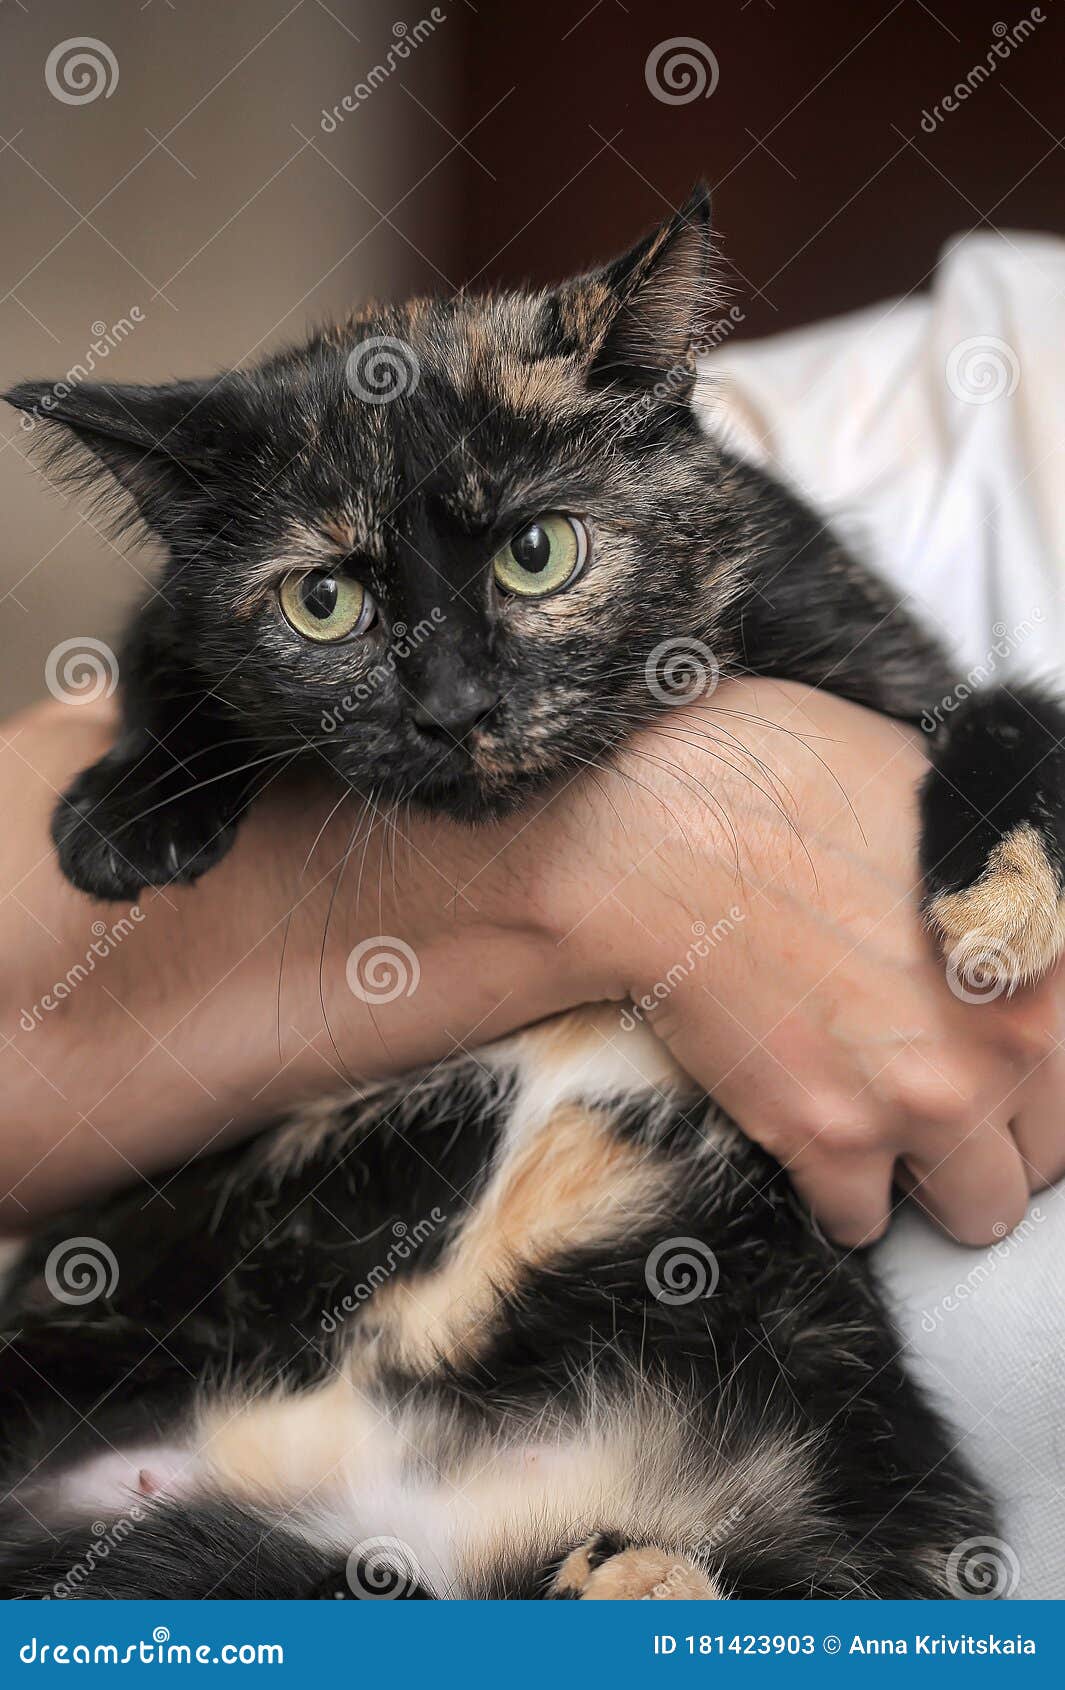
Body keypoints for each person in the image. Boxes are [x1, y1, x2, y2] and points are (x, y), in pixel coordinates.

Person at [0, 230, 1061, 1593]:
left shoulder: (685, 513)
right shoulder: (975, 393)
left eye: (535, 556)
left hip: (690, 1496)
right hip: (179, 1443)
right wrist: (614, 858)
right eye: (328, 602)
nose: (449, 700)